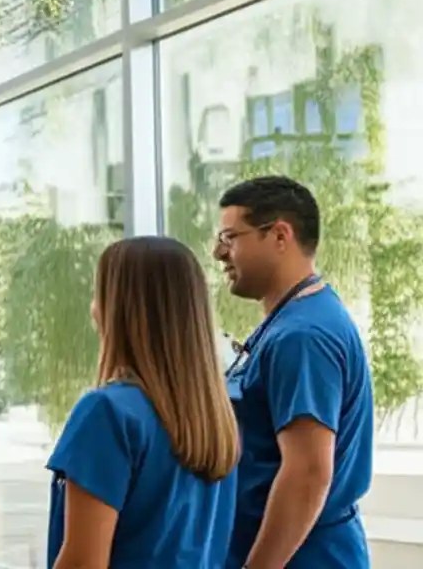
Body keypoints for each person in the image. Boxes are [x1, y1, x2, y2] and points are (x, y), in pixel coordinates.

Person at [47, 236, 239, 567]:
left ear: (120, 308)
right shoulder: (217, 419)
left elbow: (83, 563)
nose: (93, 308)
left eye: (99, 294)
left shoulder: (106, 413)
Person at [216, 176, 373, 568]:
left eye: (230, 236)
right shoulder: (292, 321)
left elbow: (307, 474)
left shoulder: (302, 337)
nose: (219, 252)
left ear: (280, 235)